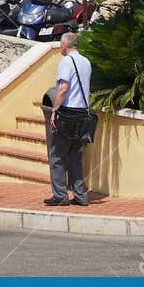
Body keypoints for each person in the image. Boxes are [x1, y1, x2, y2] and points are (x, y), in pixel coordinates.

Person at [44, 32, 94, 207]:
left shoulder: (66, 61)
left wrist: (55, 111)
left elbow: (63, 88)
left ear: (65, 44)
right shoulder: (86, 62)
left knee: (56, 155)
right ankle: (80, 196)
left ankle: (60, 196)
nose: (59, 47)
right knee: (75, 155)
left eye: (60, 44)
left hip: (67, 113)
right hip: (82, 113)